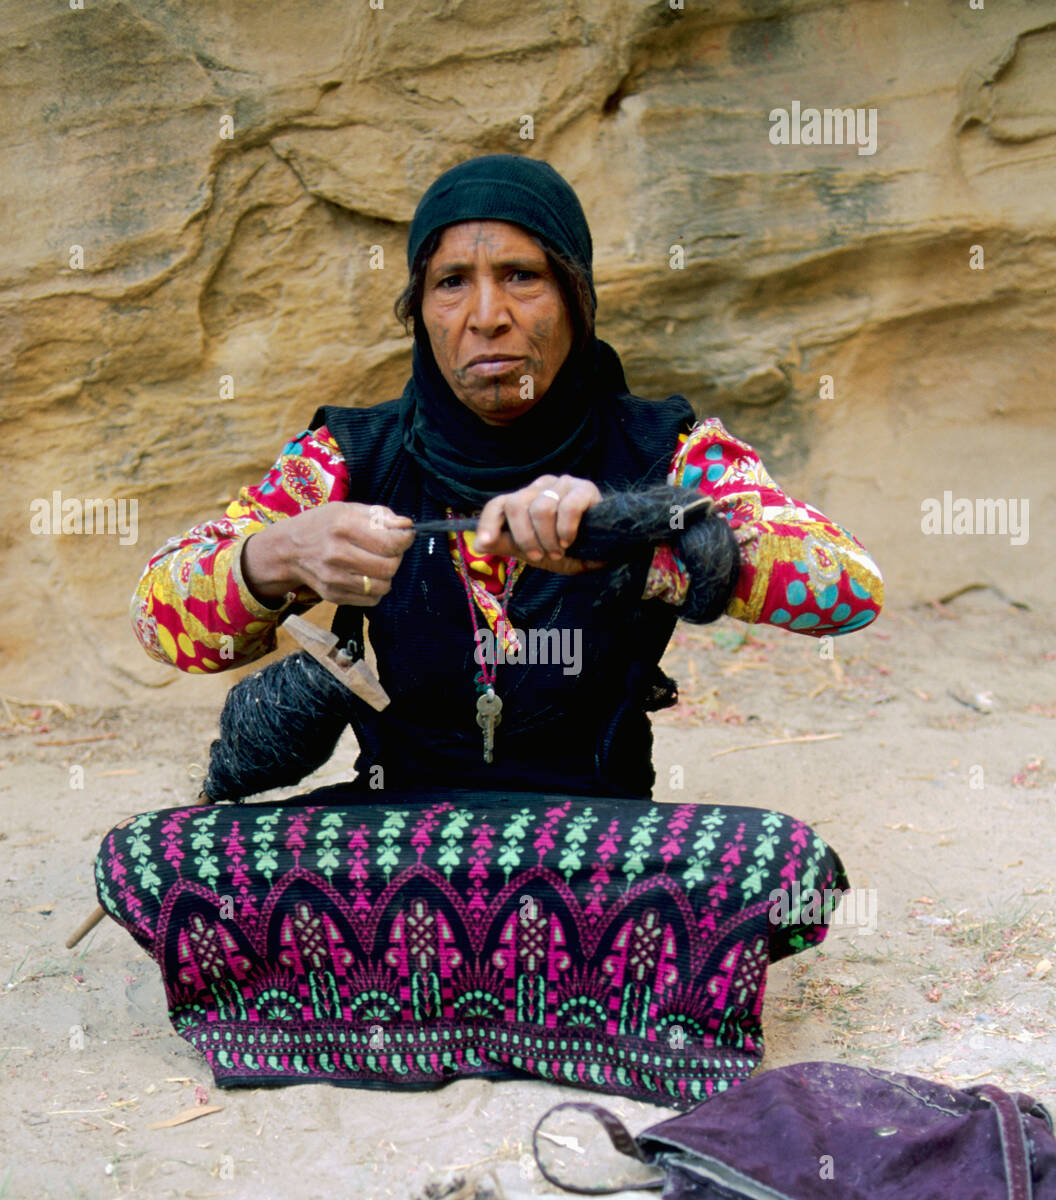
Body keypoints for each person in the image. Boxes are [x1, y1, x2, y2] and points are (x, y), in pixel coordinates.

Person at [98, 155, 883, 1108]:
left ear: (576, 296)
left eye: (522, 276)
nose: (486, 315)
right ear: (420, 311)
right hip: (394, 841)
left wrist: (635, 537)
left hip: (593, 851)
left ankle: (393, 1007)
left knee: (777, 863)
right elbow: (161, 615)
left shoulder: (660, 450)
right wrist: (279, 555)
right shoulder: (352, 455)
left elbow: (847, 584)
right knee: (147, 854)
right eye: (451, 284)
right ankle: (577, 1009)